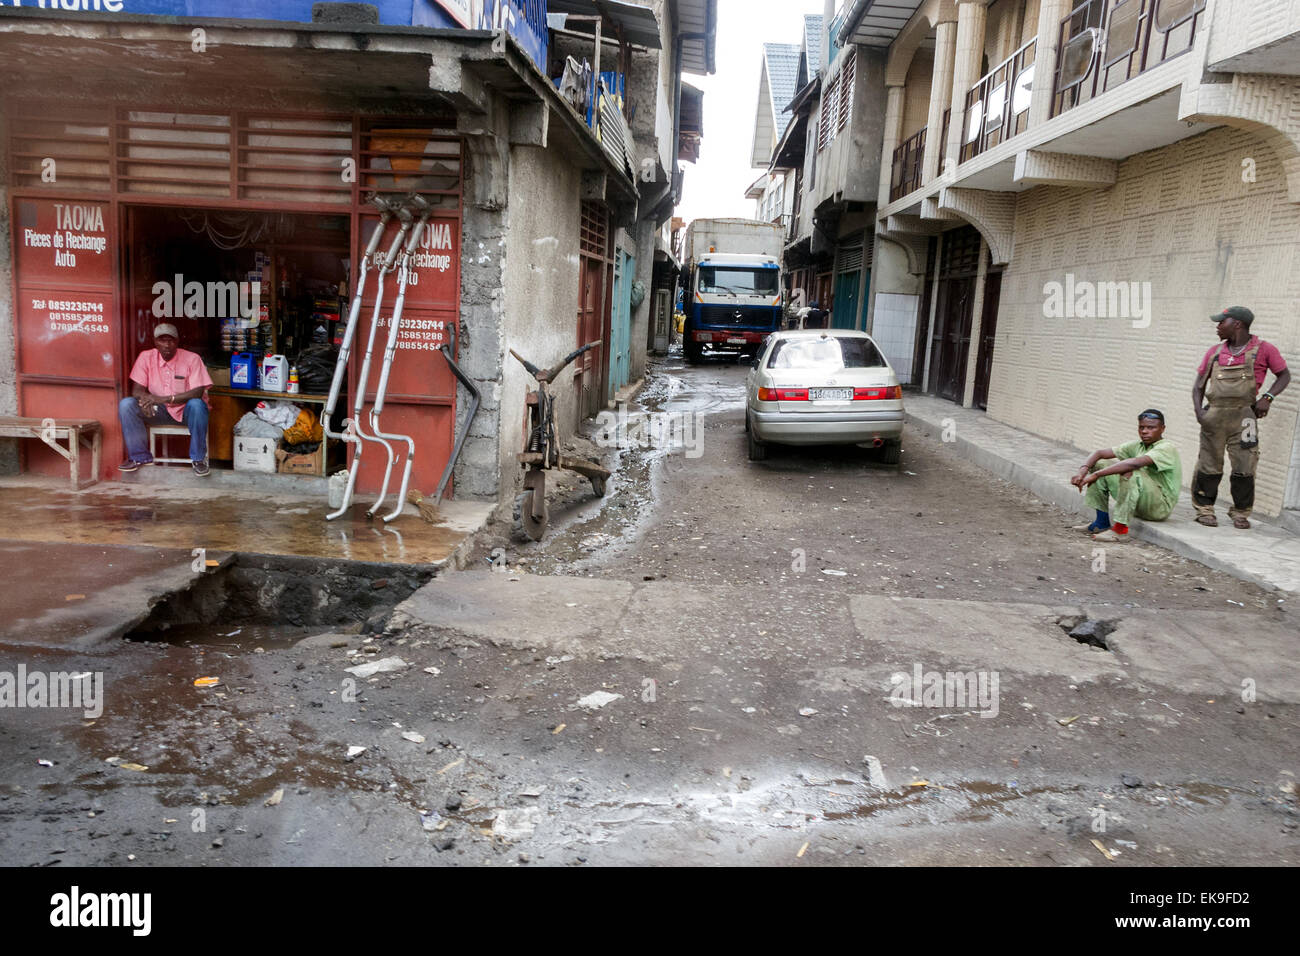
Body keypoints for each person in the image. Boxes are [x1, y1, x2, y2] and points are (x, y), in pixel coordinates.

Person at [1191, 306, 1290, 529]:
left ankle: (1240, 512)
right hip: (1214, 415)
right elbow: (1198, 387)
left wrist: (1268, 397)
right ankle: (1204, 509)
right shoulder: (1215, 352)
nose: (1217, 327)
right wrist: (1199, 413)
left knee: (1245, 466)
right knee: (1209, 464)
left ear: (1237, 324)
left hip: (1245, 416)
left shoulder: (1264, 350)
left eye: (1221, 322)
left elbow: (1284, 375)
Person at [1069, 409, 1182, 542]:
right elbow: (1099, 453)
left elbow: (1134, 464)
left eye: (1151, 428)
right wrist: (1082, 471)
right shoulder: (1138, 445)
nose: (1145, 431)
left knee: (1131, 471)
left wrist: (1096, 475)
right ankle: (1101, 523)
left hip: (1158, 507)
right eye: (1141, 427)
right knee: (1101, 463)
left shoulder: (1166, 447)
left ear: (1162, 429)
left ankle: (1120, 531)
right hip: (1140, 501)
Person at [118, 323, 214, 477]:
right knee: (126, 404)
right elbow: (137, 389)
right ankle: (139, 457)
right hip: (159, 411)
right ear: (155, 342)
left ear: (177, 342)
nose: (167, 345)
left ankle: (198, 459)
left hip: (186, 412)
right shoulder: (146, 357)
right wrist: (144, 400)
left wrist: (162, 399)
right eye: (162, 340)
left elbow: (197, 392)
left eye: (171, 340)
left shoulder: (192, 358)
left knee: (197, 404)